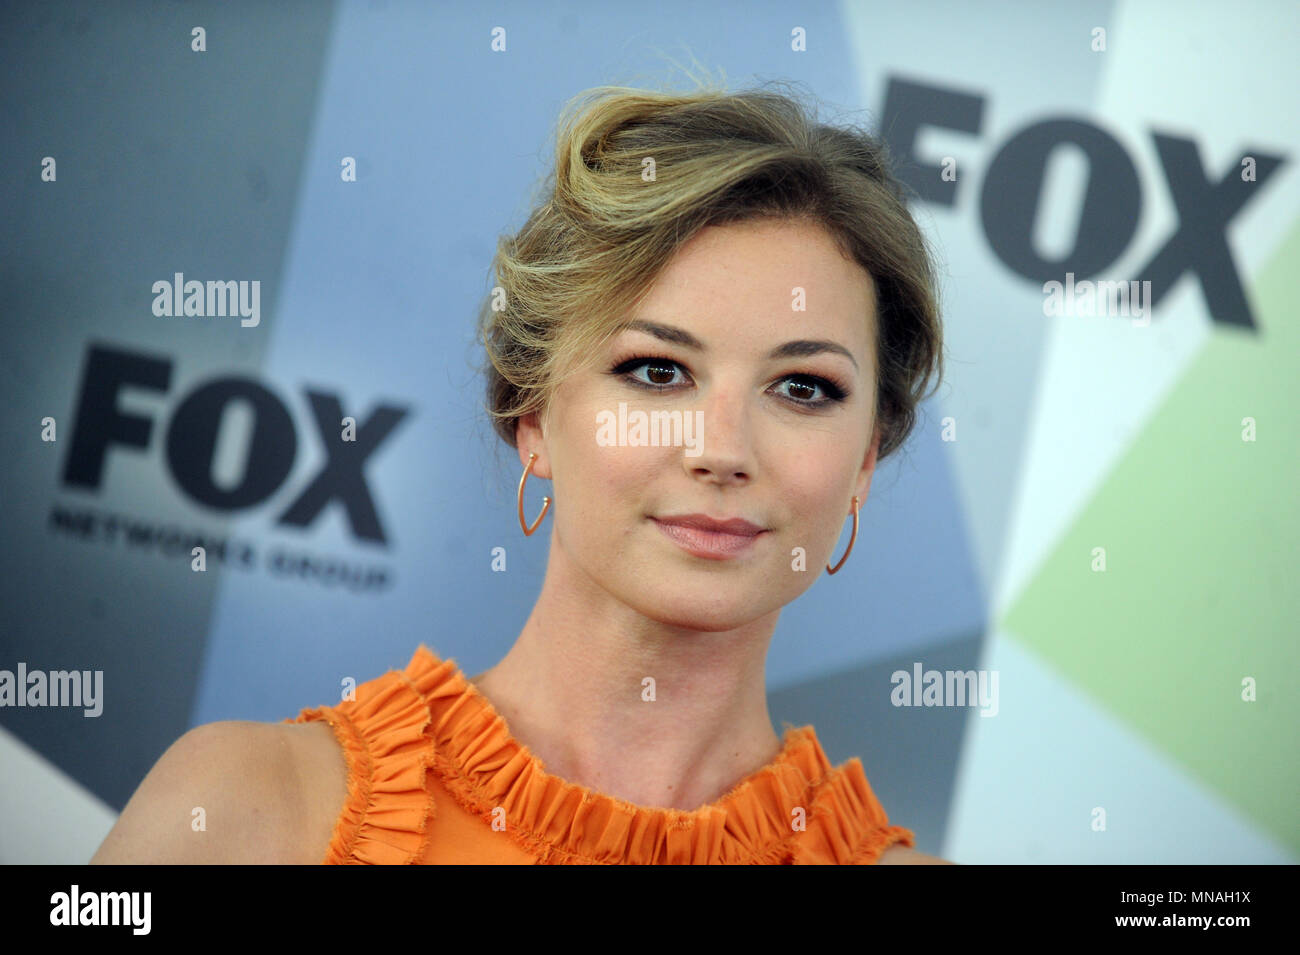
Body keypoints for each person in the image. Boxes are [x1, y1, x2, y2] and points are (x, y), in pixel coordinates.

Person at [91, 79, 950, 865]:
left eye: (804, 387)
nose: (722, 449)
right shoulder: (246, 809)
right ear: (532, 414)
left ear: (866, 458)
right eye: (656, 371)